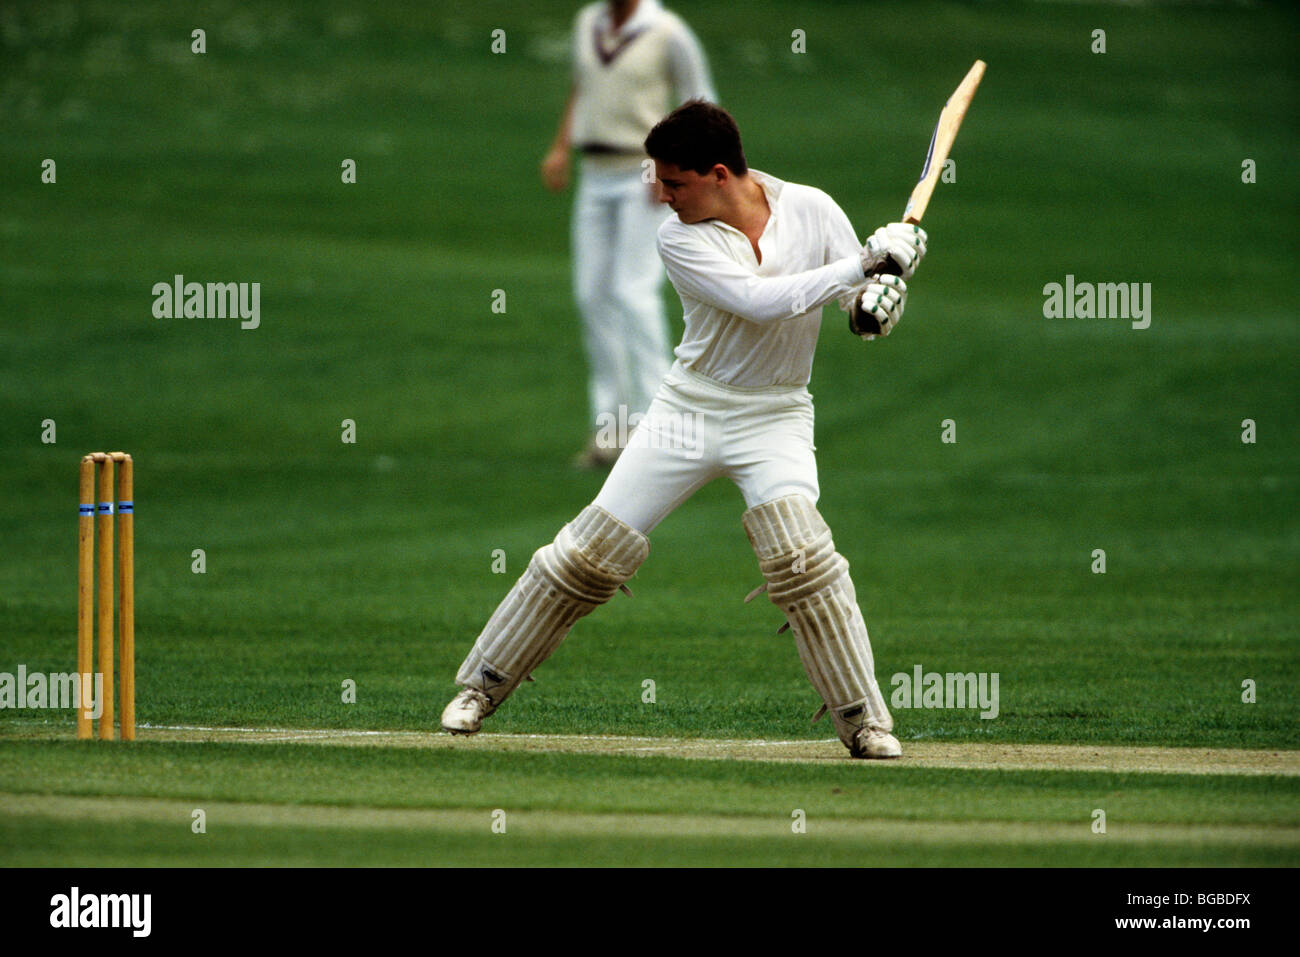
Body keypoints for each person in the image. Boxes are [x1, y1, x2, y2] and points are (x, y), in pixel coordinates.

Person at [445, 101, 927, 759]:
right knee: (586, 553)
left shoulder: (813, 209)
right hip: (686, 412)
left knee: (803, 558)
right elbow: (762, 302)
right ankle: (480, 686)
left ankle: (866, 721)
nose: (661, 195)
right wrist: (863, 263)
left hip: (776, 416)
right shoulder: (679, 236)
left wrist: (882, 290)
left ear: (720, 173)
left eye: (674, 183)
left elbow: (854, 308)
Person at [540, 0, 716, 469]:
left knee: (633, 293)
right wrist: (561, 146)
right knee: (592, 294)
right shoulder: (588, 22)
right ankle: (611, 431)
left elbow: (700, 102)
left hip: (644, 174)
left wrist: (671, 169)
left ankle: (661, 430)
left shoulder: (666, 30)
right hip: (595, 171)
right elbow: (583, 86)